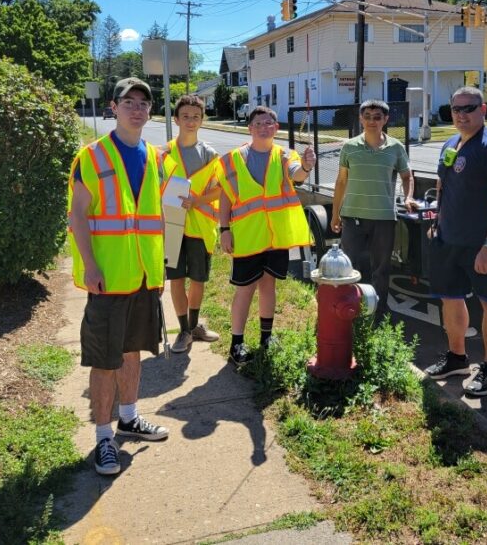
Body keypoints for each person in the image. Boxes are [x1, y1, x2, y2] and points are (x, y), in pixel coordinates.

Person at [68, 77, 171, 476]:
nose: (138, 109)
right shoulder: (91, 156)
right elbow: (78, 214)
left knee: (132, 352)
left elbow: (166, 210)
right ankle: (103, 438)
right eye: (129, 101)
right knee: (105, 360)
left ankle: (129, 418)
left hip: (144, 275)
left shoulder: (157, 157)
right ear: (114, 107)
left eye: (144, 103)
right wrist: (90, 265)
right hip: (108, 277)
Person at [423, 86, 487, 397]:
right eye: (455, 109)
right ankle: (457, 358)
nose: (461, 114)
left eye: (469, 108)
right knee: (451, 298)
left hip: (482, 245)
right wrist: (437, 222)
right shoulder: (450, 144)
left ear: (483, 109)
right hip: (449, 239)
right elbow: (443, 185)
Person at [215, 106, 316, 366]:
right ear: (250, 128)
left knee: (269, 286)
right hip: (248, 237)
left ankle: (266, 337)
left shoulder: (284, 155)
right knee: (244, 289)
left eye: (269, 122)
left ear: (276, 127)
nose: (264, 126)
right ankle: (236, 343)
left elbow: (297, 174)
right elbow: (225, 196)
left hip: (275, 238)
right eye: (258, 122)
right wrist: (224, 229)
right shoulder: (232, 159)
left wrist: (306, 166)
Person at [330, 99, 417, 321]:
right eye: (367, 116)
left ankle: (379, 312)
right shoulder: (349, 147)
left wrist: (408, 197)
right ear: (360, 119)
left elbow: (407, 176)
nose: (371, 121)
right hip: (353, 216)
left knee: (381, 268)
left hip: (384, 217)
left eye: (377, 117)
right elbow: (341, 182)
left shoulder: (395, 148)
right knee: (349, 265)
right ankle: (349, 309)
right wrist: (335, 215)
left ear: (385, 120)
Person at [163, 95, 222, 352]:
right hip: (172, 226)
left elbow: (220, 190)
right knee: (177, 280)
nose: (190, 121)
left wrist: (197, 201)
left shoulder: (210, 154)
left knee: (198, 279)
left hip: (200, 226)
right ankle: (184, 330)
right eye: (185, 116)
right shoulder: (163, 154)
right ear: (176, 119)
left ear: (202, 120)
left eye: (196, 117)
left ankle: (195, 326)